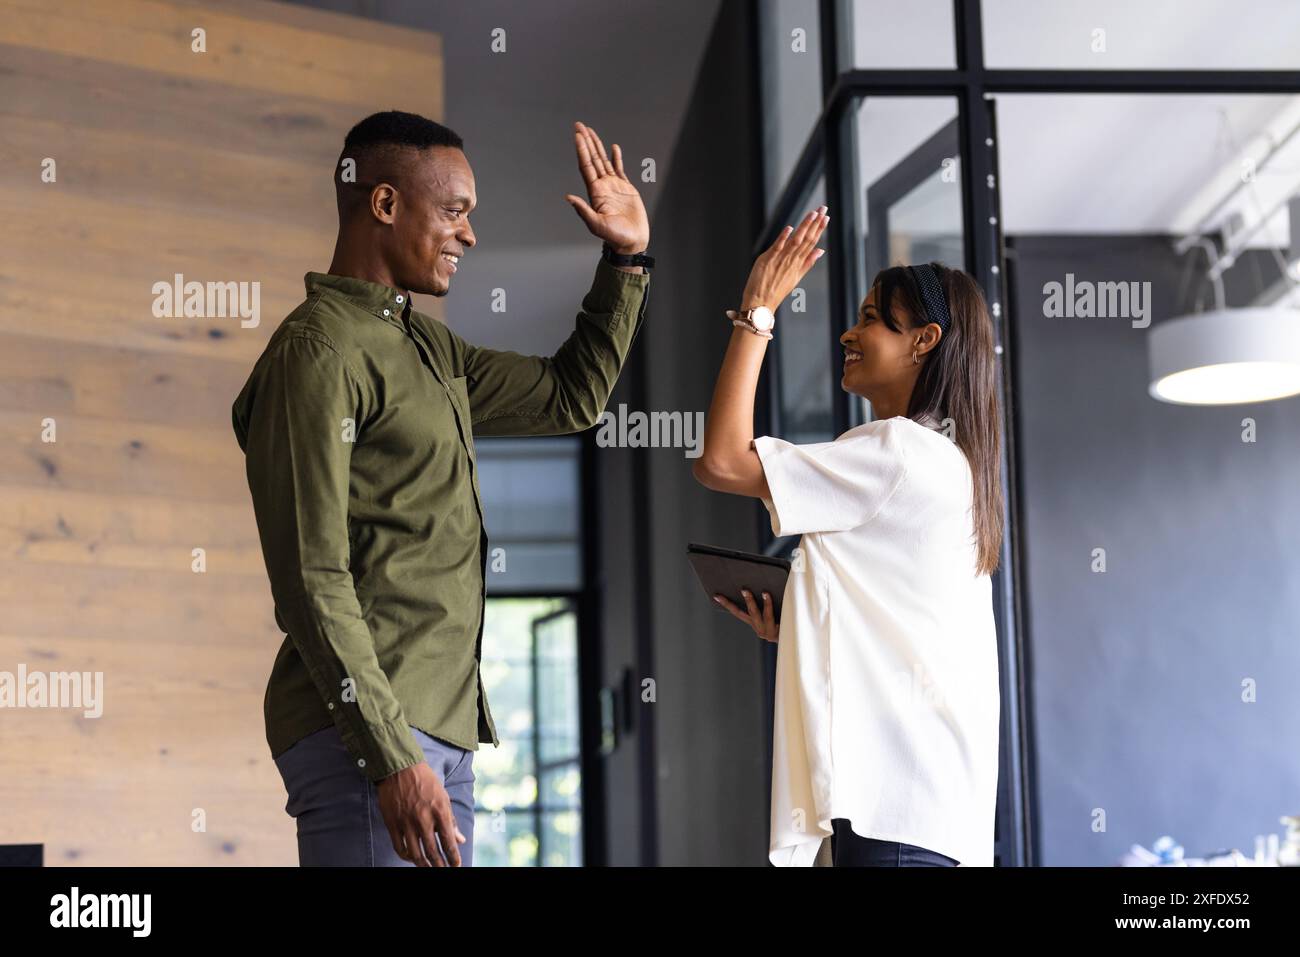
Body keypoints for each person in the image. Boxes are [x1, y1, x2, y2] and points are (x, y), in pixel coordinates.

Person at [231, 111, 652, 866]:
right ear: (385, 204)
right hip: (370, 733)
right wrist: (392, 756)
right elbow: (310, 577)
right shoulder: (317, 351)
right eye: (455, 211)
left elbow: (569, 397)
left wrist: (624, 260)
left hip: (442, 732)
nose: (469, 234)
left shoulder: (429, 346)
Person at [692, 206, 1002, 867]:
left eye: (870, 318)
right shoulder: (952, 467)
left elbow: (719, 460)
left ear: (924, 340)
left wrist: (757, 312)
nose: (847, 332)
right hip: (929, 817)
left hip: (893, 820)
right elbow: (901, 626)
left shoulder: (897, 450)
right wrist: (798, 625)